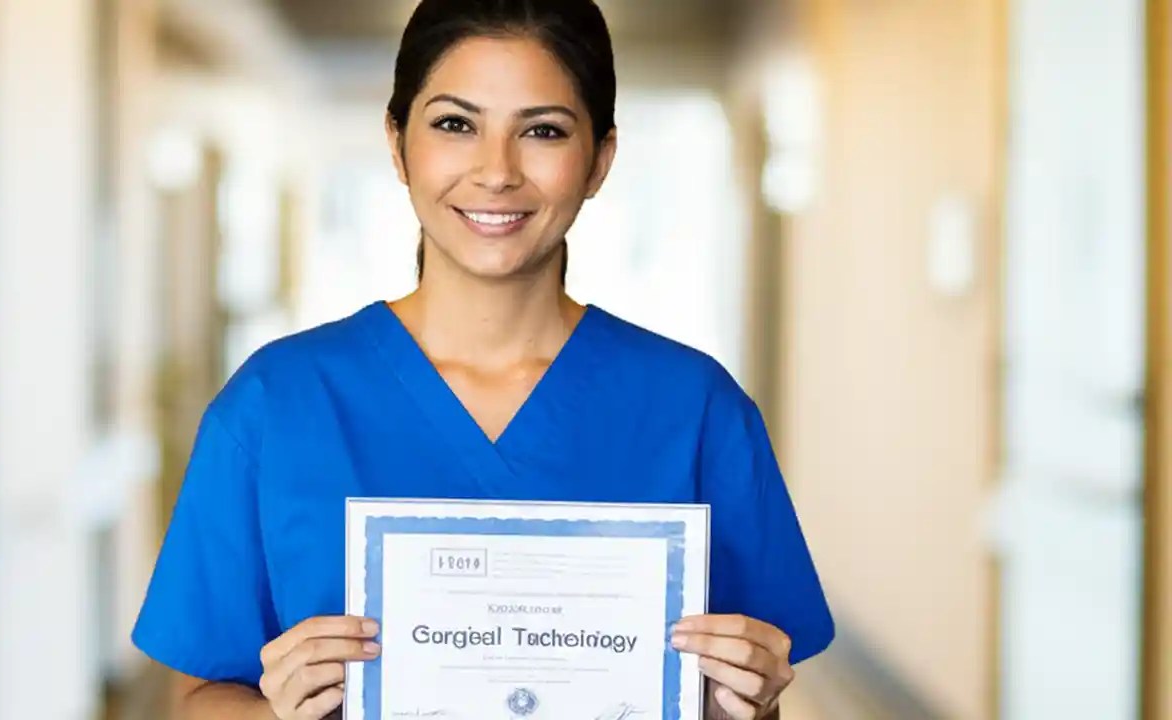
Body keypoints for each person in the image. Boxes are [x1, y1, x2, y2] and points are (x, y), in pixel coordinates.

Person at [131, 0, 835, 718]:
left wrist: (733, 705)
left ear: (599, 161)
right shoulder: (274, 406)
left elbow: (748, 699)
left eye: (543, 131)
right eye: (455, 124)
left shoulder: (695, 411)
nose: (496, 171)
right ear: (398, 143)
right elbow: (196, 696)